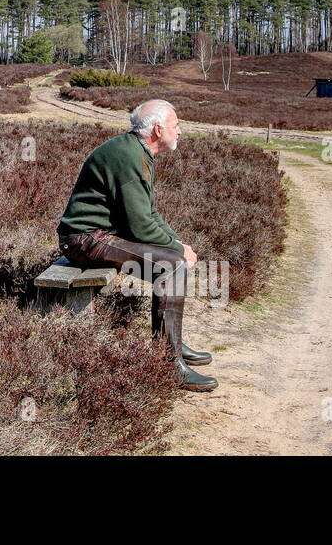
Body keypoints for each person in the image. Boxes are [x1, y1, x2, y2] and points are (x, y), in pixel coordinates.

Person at [56, 99, 217, 392]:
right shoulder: (128, 157)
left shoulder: (137, 152)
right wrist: (179, 252)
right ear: (157, 130)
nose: (180, 131)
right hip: (84, 239)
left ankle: (173, 344)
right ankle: (168, 362)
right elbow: (139, 225)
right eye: (176, 125)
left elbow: (149, 213)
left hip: (98, 236)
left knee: (173, 259)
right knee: (171, 266)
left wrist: (177, 243)